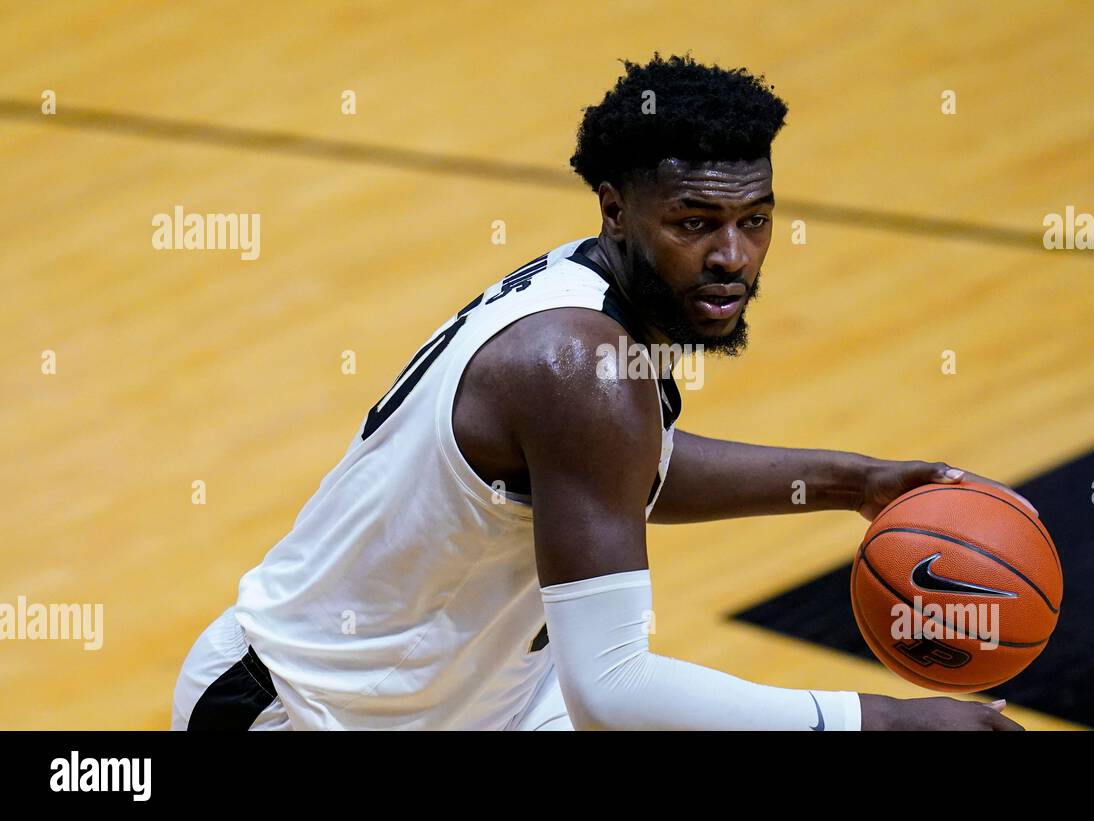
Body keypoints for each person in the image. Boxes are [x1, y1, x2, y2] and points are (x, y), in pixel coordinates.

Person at [172, 53, 1028, 731]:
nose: (733, 255)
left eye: (755, 220)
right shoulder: (576, 366)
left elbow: (621, 468)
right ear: (617, 210)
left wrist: (854, 483)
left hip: (479, 697)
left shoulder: (589, 295)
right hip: (304, 709)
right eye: (695, 222)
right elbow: (612, 693)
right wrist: (875, 719)